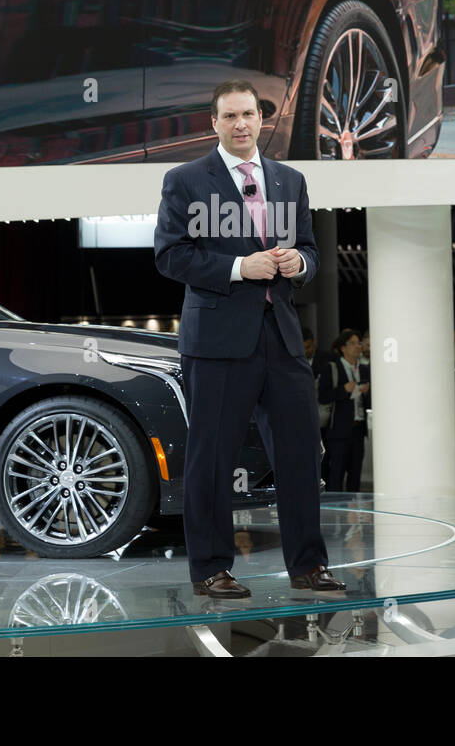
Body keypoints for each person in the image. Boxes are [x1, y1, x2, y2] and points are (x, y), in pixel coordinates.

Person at [153, 79, 343, 598]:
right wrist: (241, 266)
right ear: (213, 123)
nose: (241, 124)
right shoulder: (186, 179)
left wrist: (297, 262)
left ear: (263, 119)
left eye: (249, 114)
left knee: (302, 453)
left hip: (280, 338)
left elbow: (310, 249)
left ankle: (309, 566)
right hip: (216, 342)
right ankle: (210, 569)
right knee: (211, 459)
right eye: (230, 116)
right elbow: (171, 256)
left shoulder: (289, 179)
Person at [319, 329, 369, 492]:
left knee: (355, 474)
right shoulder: (332, 368)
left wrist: (367, 392)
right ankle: (335, 511)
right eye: (352, 343)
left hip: (358, 427)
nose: (357, 346)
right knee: (337, 473)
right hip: (338, 429)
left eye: (358, 343)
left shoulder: (364, 369)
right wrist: (343, 390)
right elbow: (323, 396)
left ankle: (355, 512)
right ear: (343, 348)